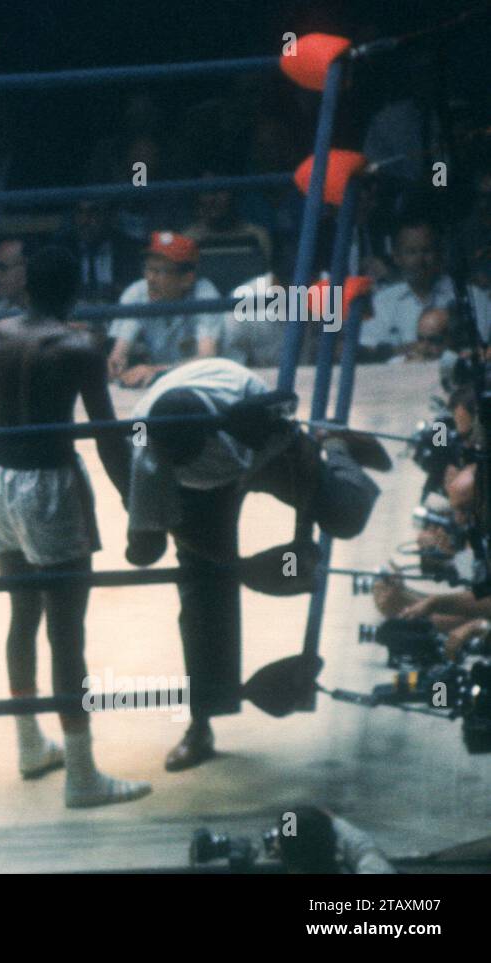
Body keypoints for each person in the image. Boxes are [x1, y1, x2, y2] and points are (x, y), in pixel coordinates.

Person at [0, 246, 149, 808]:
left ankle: (29, 746)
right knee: (67, 632)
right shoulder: (80, 347)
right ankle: (82, 776)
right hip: (49, 484)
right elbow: (108, 435)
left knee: (22, 614)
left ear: (25, 287)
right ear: (74, 294)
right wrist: (138, 505)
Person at [124, 358, 386, 771]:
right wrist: (238, 567)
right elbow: (152, 544)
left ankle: (337, 443)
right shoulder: (147, 455)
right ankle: (202, 722)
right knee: (203, 592)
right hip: (197, 494)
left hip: (258, 450)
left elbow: (297, 460)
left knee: (343, 514)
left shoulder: (251, 415)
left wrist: (301, 540)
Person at [106, 232, 225, 387]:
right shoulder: (137, 292)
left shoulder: (205, 295)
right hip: (162, 382)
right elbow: (119, 353)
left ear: (186, 279)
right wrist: (115, 365)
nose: (150, 278)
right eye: (148, 269)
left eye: (159, 271)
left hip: (205, 381)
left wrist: (157, 371)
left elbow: (207, 357)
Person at [360, 218, 455, 358]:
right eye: (411, 252)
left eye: (427, 250)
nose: (420, 259)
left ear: (439, 253)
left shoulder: (462, 295)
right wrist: (408, 349)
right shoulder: (381, 302)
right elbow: (367, 351)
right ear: (396, 257)